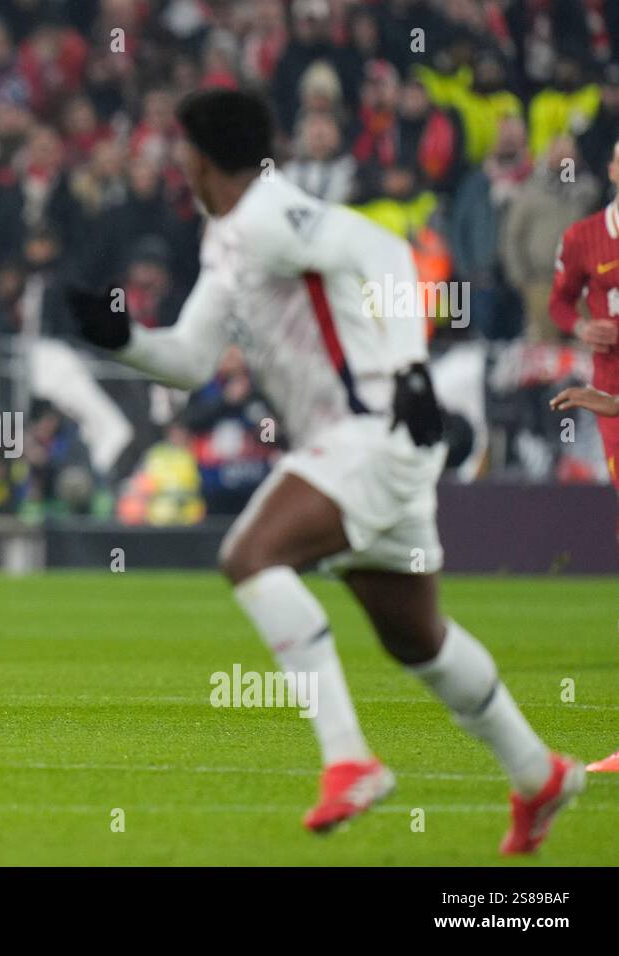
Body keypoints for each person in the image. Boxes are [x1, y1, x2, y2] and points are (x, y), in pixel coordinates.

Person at [70, 88, 584, 855]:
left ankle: (349, 758)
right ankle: (539, 773)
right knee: (419, 641)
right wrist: (122, 340)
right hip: (368, 446)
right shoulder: (229, 240)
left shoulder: (273, 214)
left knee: (249, 556)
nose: (178, 165)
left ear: (201, 158)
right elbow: (188, 360)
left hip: (371, 432)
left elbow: (382, 252)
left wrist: (412, 366)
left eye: (183, 152)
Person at [547, 137, 619, 495]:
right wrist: (582, 327)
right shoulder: (583, 238)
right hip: (611, 386)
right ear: (613, 171)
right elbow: (558, 303)